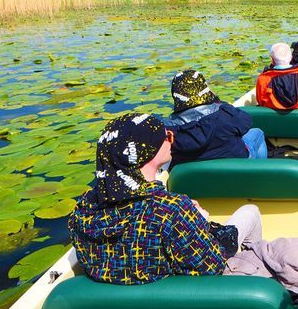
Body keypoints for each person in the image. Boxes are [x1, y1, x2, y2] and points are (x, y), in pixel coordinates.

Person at [68, 112, 263, 285]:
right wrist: (201, 222)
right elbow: (213, 264)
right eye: (167, 136)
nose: (171, 140)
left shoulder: (83, 211)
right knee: (250, 211)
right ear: (149, 152)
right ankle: (252, 262)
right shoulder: (171, 211)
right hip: (201, 293)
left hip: (133, 305)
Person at [165, 70, 267, 167]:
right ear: (205, 89)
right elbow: (246, 122)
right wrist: (217, 101)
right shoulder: (225, 114)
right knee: (257, 133)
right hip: (236, 167)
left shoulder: (168, 131)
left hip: (192, 176)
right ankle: (260, 174)